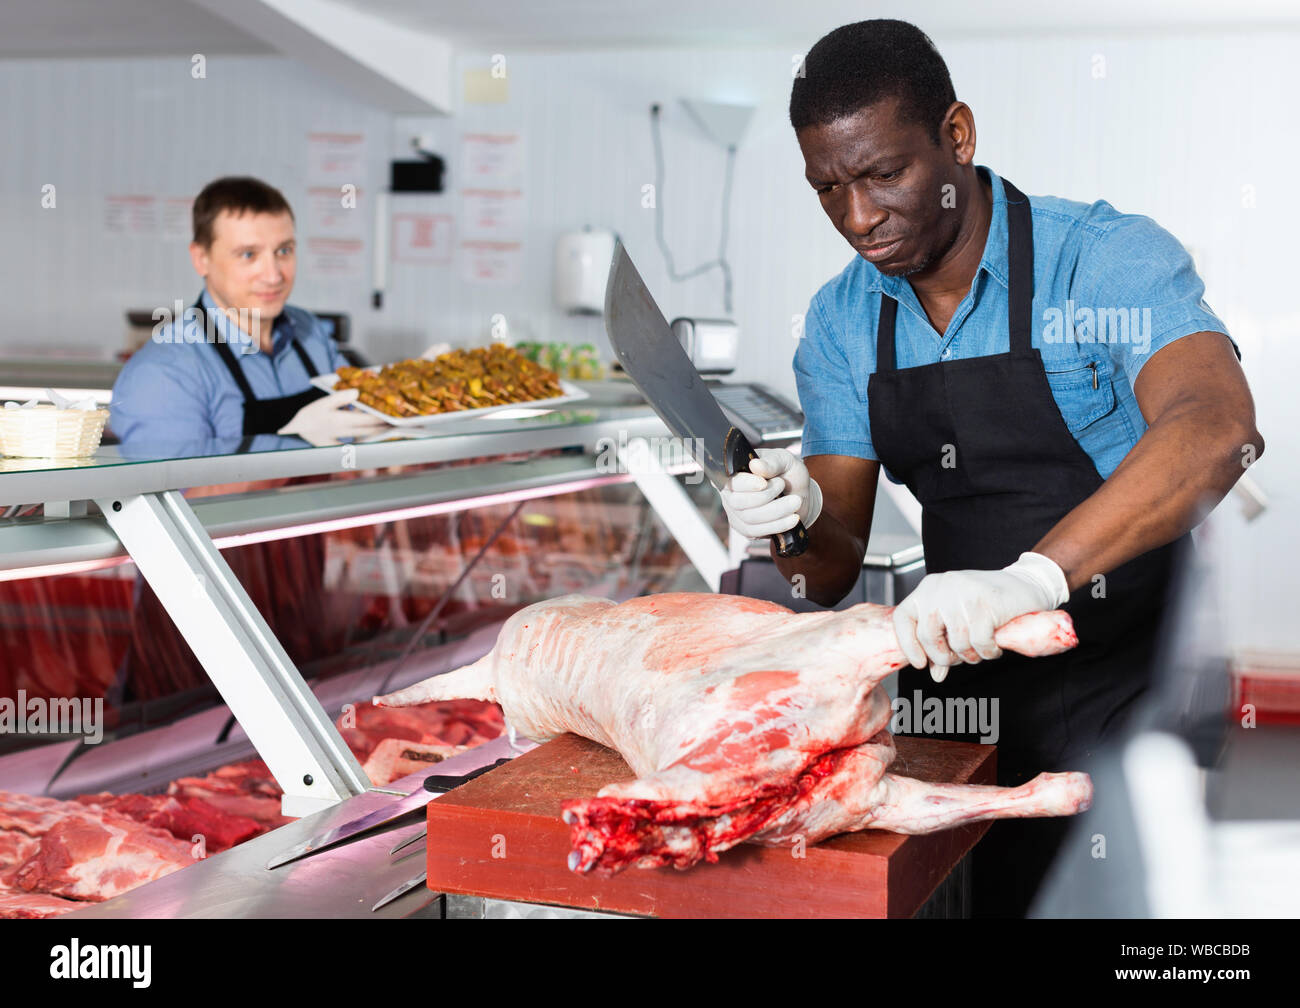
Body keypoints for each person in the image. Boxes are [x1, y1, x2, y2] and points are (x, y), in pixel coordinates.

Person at [721, 19, 1263, 917]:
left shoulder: (1098, 258)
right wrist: (787, 516)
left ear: (957, 137)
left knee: (1130, 911)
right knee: (987, 896)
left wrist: (1034, 578)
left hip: (1137, 666)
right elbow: (831, 564)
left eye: (884, 175)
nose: (858, 219)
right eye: (829, 189)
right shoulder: (842, 320)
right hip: (968, 678)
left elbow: (1219, 428)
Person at [110, 175, 386, 451]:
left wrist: (420, 380)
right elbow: (183, 492)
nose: (273, 275)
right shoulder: (163, 374)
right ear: (201, 259)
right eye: (248, 255)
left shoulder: (310, 332)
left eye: (284, 250)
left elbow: (367, 422)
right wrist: (294, 440)